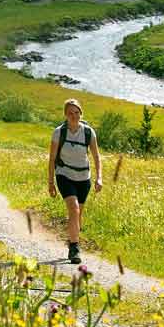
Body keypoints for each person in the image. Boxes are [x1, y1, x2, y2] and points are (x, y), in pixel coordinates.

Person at [46, 98, 102, 265]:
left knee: (78, 215)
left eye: (76, 112)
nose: (74, 116)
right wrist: (51, 182)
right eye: (70, 113)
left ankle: (72, 239)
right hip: (64, 175)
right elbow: (52, 159)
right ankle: (74, 249)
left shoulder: (88, 132)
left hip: (84, 178)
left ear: (81, 113)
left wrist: (99, 177)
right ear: (65, 115)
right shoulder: (58, 132)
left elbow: (96, 156)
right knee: (74, 209)